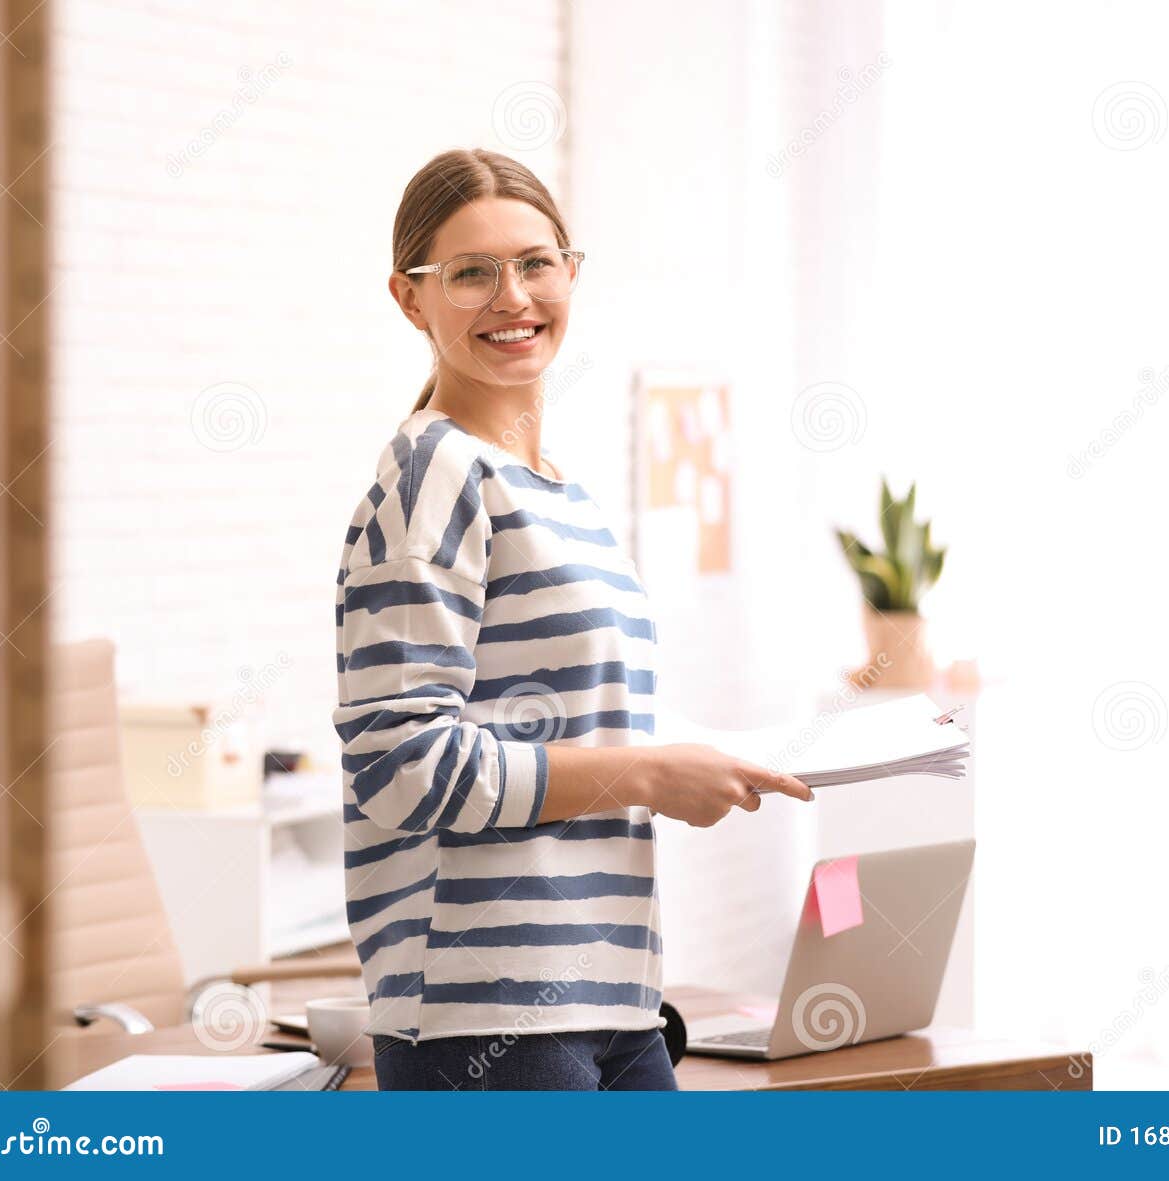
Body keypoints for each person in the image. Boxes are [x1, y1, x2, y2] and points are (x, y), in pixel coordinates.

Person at [333, 148, 814, 1091]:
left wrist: (702, 760)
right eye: (471, 273)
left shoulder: (560, 492)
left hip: (610, 992)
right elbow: (397, 764)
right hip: (484, 1013)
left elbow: (565, 725)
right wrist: (648, 773)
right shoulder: (436, 472)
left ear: (572, 273)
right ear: (409, 299)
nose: (512, 296)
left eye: (536, 262)